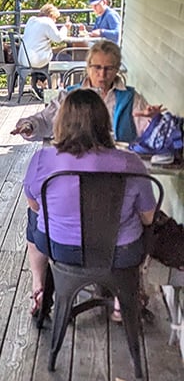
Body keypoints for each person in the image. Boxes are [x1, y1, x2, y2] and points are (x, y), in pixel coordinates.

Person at [23, 89, 157, 316]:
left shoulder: (42, 160)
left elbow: (35, 205)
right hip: (120, 252)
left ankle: (39, 286)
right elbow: (149, 216)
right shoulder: (130, 162)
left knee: (33, 216)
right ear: (104, 123)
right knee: (142, 224)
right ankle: (123, 295)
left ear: (61, 123)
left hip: (60, 248)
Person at [11, 39, 162, 144]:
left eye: (109, 68)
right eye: (97, 67)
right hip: (76, 165)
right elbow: (45, 121)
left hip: (117, 169)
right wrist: (30, 126)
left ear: (117, 69)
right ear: (88, 67)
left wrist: (155, 121)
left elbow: (151, 136)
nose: (102, 74)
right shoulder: (70, 96)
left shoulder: (131, 99)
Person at [21, 3, 68, 97]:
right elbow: (58, 38)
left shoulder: (31, 20)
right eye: (55, 18)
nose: (55, 21)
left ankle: (39, 85)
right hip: (37, 60)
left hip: (24, 59)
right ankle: (60, 90)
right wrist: (65, 28)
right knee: (66, 58)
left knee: (55, 56)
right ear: (51, 15)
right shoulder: (47, 22)